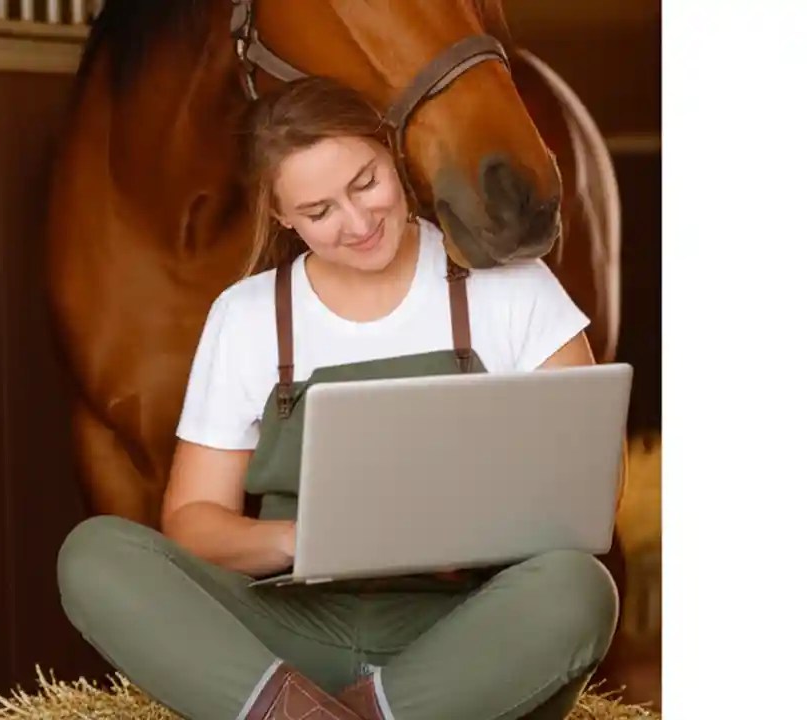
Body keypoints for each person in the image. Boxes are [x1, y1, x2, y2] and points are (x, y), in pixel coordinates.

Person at [57, 77, 618, 720]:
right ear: (281, 217)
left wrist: (466, 539)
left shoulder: (510, 287)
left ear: (393, 153)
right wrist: (306, 541)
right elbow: (193, 522)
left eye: (365, 183)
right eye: (319, 213)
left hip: (465, 635)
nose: (357, 224)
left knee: (578, 590)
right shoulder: (246, 316)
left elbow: (586, 491)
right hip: (293, 633)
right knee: (94, 556)